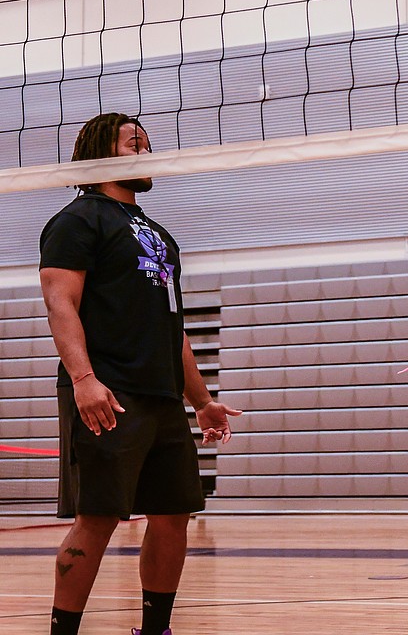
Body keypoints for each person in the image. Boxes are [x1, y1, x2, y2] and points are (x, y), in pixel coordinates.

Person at [39, 113, 242, 635]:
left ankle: (155, 629)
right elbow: (60, 303)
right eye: (134, 143)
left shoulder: (160, 236)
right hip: (108, 391)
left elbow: (172, 328)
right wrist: (84, 379)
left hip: (161, 398)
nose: (145, 152)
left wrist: (201, 401)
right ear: (101, 154)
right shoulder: (77, 221)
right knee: (100, 517)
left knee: (174, 515)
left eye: (147, 144)